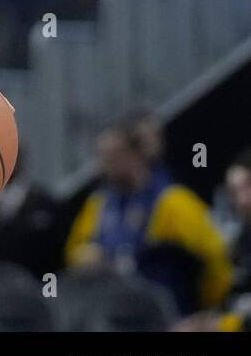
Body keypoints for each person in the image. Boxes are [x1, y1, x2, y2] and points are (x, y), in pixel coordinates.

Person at [65, 121, 233, 315]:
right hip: (112, 315)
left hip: (166, 315)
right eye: (101, 157)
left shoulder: (172, 201)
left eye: (113, 156)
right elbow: (73, 252)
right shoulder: (99, 204)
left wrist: (207, 309)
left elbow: (214, 257)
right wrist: (82, 256)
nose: (105, 165)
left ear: (135, 155)